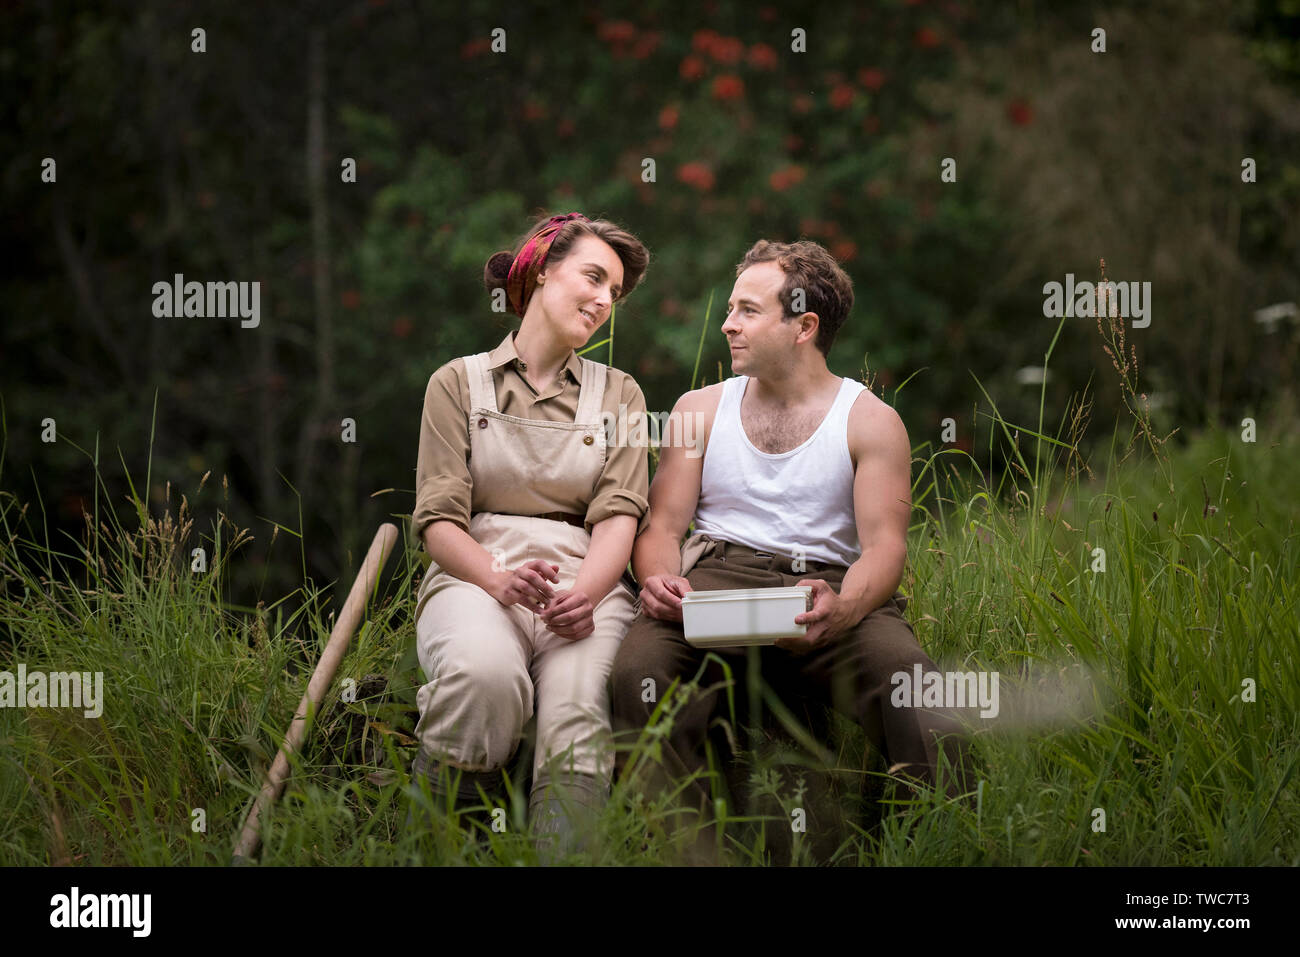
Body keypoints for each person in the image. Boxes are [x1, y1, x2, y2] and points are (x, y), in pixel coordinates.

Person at [611, 239, 972, 851]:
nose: (728, 324)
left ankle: (902, 849)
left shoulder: (870, 419)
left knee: (919, 689)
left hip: (827, 588)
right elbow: (662, 530)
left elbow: (885, 549)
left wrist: (847, 607)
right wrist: (658, 581)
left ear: (804, 325)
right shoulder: (698, 409)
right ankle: (698, 856)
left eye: (748, 311)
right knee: (636, 674)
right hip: (715, 580)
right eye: (731, 308)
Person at [410, 212, 650, 852]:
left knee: (578, 713)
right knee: (481, 677)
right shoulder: (456, 383)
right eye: (594, 278)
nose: (604, 301)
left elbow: (619, 516)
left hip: (584, 584)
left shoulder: (621, 394)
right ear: (542, 271)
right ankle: (441, 844)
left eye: (615, 293)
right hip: (477, 577)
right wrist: (497, 578)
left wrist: (589, 595)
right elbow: (437, 522)